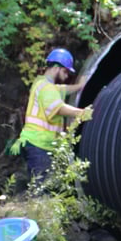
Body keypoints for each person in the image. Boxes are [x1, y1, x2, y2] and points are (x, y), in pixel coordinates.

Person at [15, 48, 92, 186]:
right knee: (41, 188)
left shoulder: (41, 83)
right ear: (57, 68)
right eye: (65, 71)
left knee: (38, 185)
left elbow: (63, 89)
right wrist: (82, 113)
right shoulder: (47, 88)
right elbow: (59, 108)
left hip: (34, 143)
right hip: (39, 144)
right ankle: (34, 206)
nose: (67, 75)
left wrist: (79, 86)